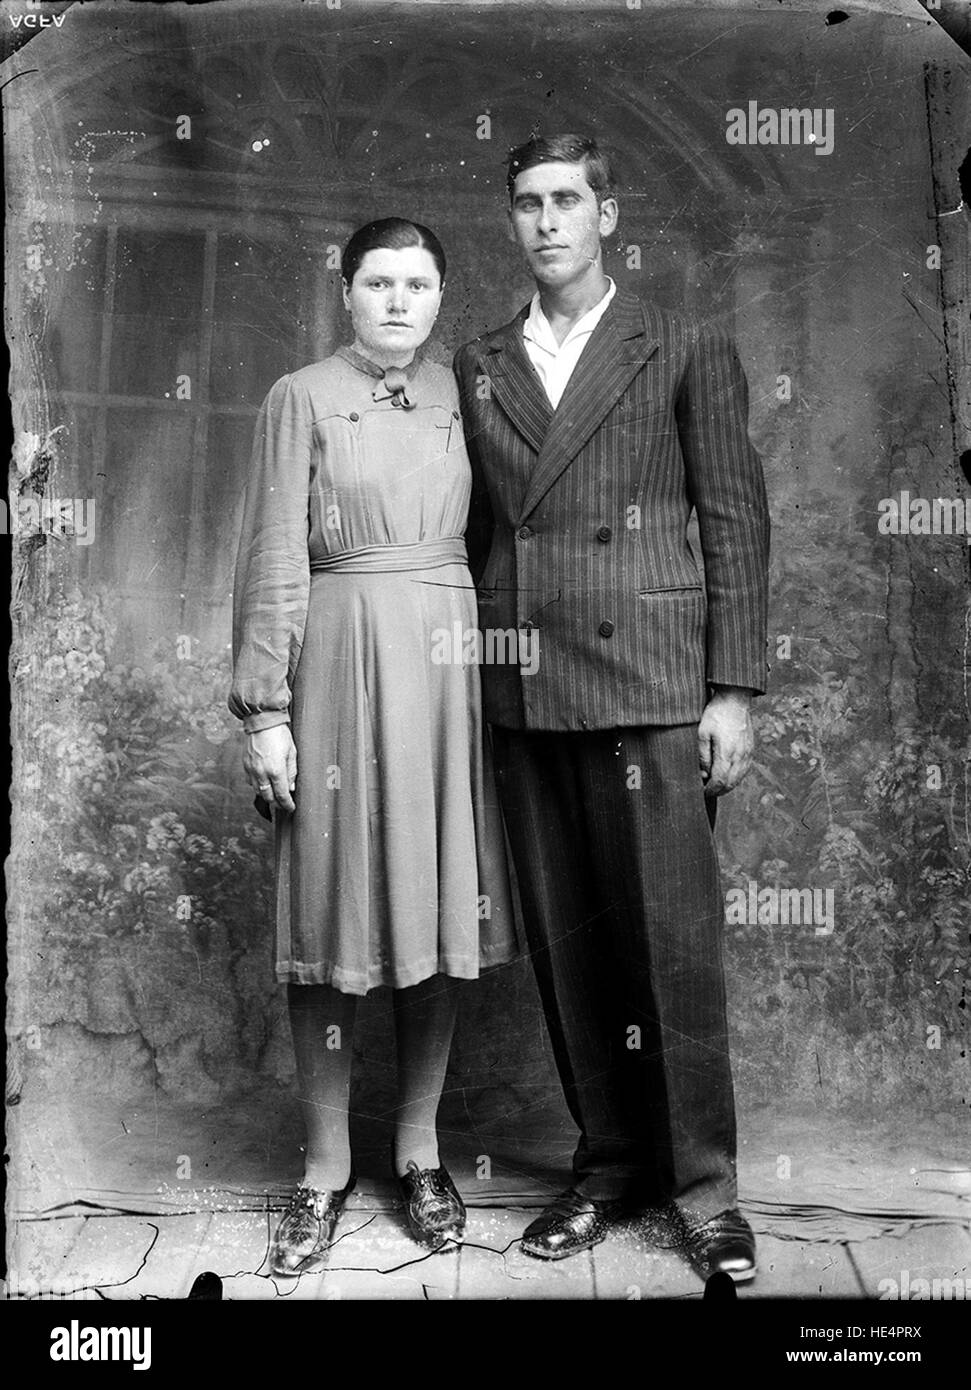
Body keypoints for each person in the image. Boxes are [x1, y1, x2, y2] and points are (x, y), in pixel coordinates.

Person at [453, 134, 770, 1282]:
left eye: (566, 201)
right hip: (525, 683)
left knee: (671, 949)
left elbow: (734, 518)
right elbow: (476, 530)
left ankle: (704, 1193)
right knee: (569, 946)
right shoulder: (478, 360)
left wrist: (730, 687)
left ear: (607, 216)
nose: (545, 221)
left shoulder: (678, 342)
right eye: (526, 203)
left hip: (649, 682)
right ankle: (606, 1168)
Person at [229, 217, 516, 1276]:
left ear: (441, 295)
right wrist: (266, 710)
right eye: (379, 283)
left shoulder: (462, 392)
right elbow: (270, 551)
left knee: (434, 903)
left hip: (445, 664)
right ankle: (321, 1165)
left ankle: (419, 1150)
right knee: (332, 904)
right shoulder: (298, 395)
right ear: (345, 291)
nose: (399, 301)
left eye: (419, 284)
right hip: (340, 663)